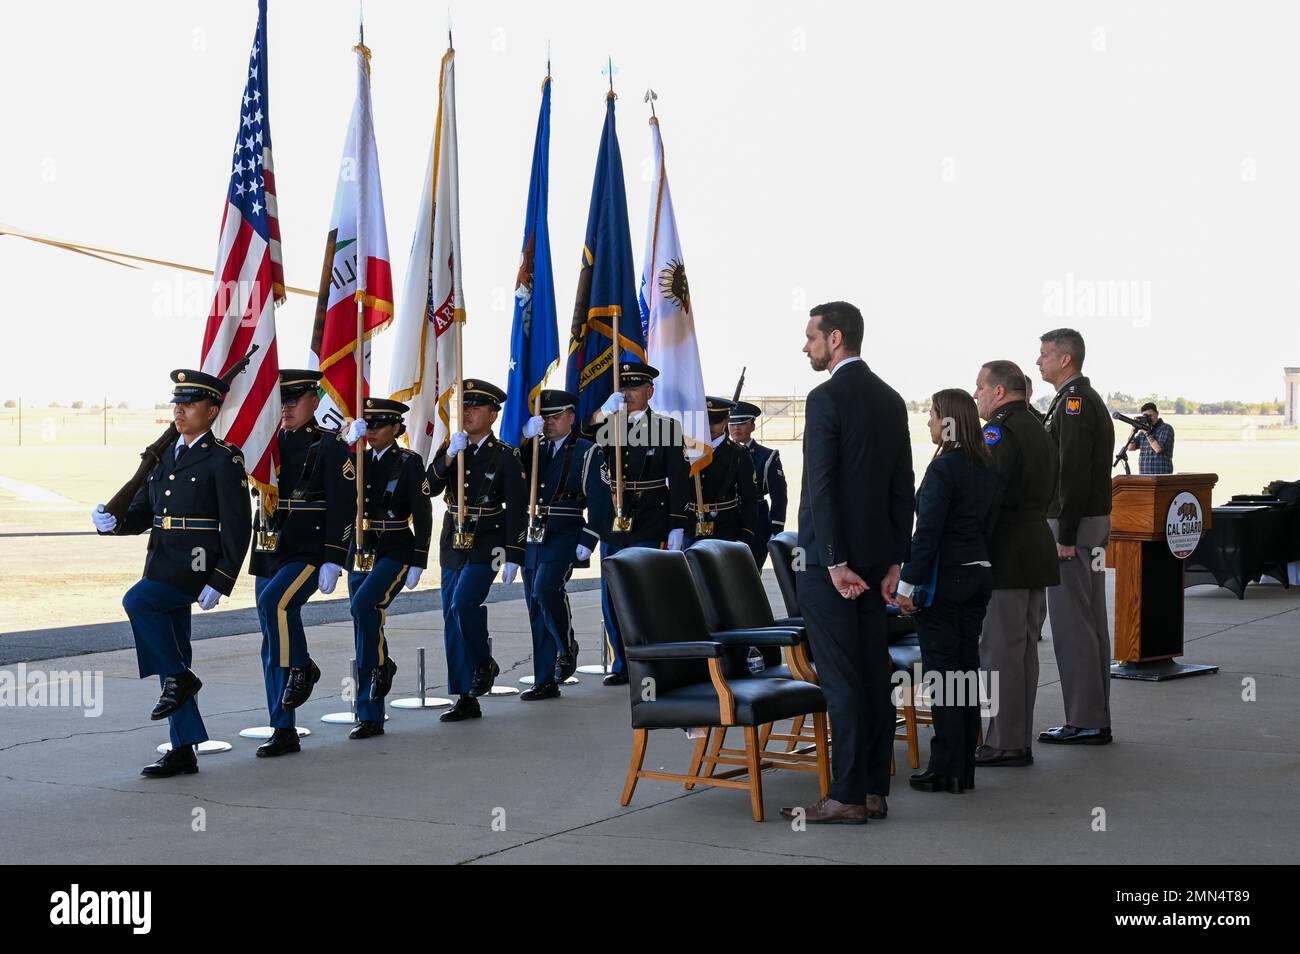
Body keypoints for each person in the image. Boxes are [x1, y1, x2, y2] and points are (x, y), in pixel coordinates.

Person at [778, 302, 914, 825]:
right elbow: (905, 487)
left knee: (841, 682)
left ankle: (847, 797)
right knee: (873, 677)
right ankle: (873, 789)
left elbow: (822, 487)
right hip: (877, 566)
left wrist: (834, 562)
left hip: (832, 571)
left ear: (835, 338)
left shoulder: (826, 396)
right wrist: (895, 561)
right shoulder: (891, 399)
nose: (806, 346)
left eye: (811, 337)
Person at [91, 369, 252, 777]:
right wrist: (114, 523)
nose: (179, 410)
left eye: (190, 403)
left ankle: (182, 679)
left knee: (138, 601)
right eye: (176, 402)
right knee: (173, 655)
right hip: (163, 559)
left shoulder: (224, 458)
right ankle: (183, 748)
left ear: (212, 411)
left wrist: (222, 577)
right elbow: (145, 512)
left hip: (197, 563)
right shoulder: (164, 456)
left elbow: (237, 523)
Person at [895, 389, 999, 794]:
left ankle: (944, 768)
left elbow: (927, 535)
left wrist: (907, 585)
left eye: (933, 415)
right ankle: (962, 768)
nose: (929, 422)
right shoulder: (985, 464)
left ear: (949, 421)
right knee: (965, 673)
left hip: (945, 582)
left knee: (943, 678)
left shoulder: (944, 470)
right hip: (977, 575)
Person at [248, 370, 353, 757]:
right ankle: (283, 727)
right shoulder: (266, 445)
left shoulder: (328, 447)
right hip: (270, 548)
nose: (287, 407)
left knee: (275, 605)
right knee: (271, 638)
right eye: (283, 400)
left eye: (295, 399)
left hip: (308, 551)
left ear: (314, 401)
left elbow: (344, 508)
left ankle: (303, 666)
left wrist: (333, 558)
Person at [972, 361, 1060, 768]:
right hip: (1035, 547)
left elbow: (992, 492)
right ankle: (1016, 738)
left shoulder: (998, 430)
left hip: (1006, 550)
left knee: (1001, 652)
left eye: (980, 388)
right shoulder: (1040, 425)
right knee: (1023, 651)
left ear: (999, 392)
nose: (977, 396)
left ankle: (1005, 741)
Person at [426, 379, 527, 722]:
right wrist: (448, 457)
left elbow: (516, 509)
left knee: (463, 603)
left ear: (493, 414)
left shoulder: (507, 456)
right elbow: (428, 488)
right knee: (450, 617)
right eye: (464, 407)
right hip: (453, 538)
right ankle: (465, 695)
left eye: (476, 407)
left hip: (489, 539)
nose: (467, 413)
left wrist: (515, 553)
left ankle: (484, 661)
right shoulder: (452, 448)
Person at [1036, 328, 1115, 745]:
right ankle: (1093, 716)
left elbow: (1072, 474)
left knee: (1073, 626)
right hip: (1088, 522)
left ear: (1065, 359)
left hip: (1074, 527)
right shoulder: (1077, 400)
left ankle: (1085, 720)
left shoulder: (1074, 404)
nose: (1039, 361)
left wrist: (1064, 535)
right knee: (1089, 622)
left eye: (1045, 354)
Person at [592, 361, 690, 686]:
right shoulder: (610, 424)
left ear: (649, 391)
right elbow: (581, 436)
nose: (627, 393)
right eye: (622, 387)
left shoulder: (666, 427)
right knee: (611, 593)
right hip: (614, 517)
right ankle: (622, 663)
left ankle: (650, 659)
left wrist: (677, 524)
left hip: (650, 516)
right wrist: (602, 414)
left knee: (644, 591)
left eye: (634, 387)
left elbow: (679, 477)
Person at [344, 398, 432, 739]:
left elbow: (423, 514)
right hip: (362, 548)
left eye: (379, 425)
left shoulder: (408, 462)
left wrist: (419, 560)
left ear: (396, 428)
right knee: (362, 627)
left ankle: (381, 665)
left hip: (395, 548)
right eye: (369, 425)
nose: (373, 432)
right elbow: (338, 484)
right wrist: (348, 446)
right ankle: (369, 714)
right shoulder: (357, 458)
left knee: (365, 606)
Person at [518, 389, 607, 700]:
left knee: (545, 589)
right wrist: (524, 443)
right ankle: (544, 679)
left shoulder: (588, 451)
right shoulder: (533, 449)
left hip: (566, 530)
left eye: (554, 417)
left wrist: (590, 538)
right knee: (534, 602)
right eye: (544, 418)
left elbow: (600, 499)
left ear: (571, 416)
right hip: (534, 532)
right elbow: (515, 480)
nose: (548, 423)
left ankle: (566, 645)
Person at [683, 396, 758, 546]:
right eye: (706, 421)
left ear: (726, 420)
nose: (710, 426)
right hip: (690, 528)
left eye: (715, 421)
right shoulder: (687, 449)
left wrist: (746, 534)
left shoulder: (738, 453)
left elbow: (749, 498)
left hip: (726, 529)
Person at [729, 400, 787, 570]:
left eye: (742, 424)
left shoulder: (767, 456)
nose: (736, 428)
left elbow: (779, 495)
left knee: (750, 573)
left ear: (753, 426)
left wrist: (776, 528)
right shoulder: (719, 454)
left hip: (757, 521)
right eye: (732, 423)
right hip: (728, 519)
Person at [1126, 401, 1175, 475]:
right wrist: (1133, 430)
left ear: (1157, 413)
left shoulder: (1166, 428)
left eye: (1150, 416)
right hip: (1144, 476)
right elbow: (1130, 448)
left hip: (1162, 475)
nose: (1148, 419)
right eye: (1145, 417)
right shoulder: (1143, 432)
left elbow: (1158, 449)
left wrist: (1146, 432)